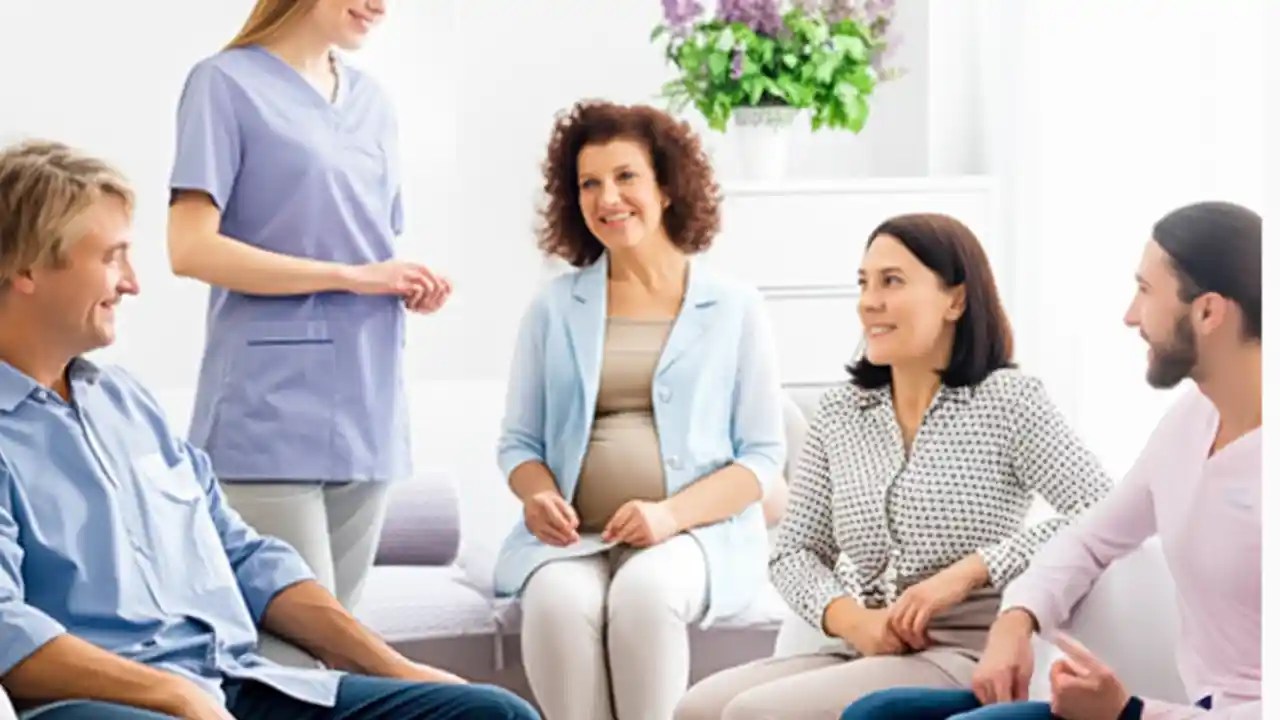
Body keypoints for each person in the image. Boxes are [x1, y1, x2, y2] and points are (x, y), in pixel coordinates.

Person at [0, 140, 536, 720]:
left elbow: (246, 555)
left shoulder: (128, 404)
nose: (132, 283)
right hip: (108, 705)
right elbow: (6, 624)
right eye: (111, 257)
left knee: (491, 714)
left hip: (238, 683)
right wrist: (173, 694)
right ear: (25, 267)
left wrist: (393, 667)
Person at [676, 214, 1114, 720]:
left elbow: (1101, 508)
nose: (869, 301)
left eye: (892, 281)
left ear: (956, 300)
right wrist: (853, 621)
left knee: (755, 714)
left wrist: (970, 572)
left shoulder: (1008, 401)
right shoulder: (841, 413)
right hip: (866, 645)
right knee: (697, 708)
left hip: (962, 652)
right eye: (864, 283)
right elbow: (795, 551)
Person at [839, 201, 1262, 719]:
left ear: (1208, 312)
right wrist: (1017, 618)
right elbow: (1089, 534)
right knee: (878, 715)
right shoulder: (1191, 421)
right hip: (1177, 708)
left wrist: (1132, 714)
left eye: (1146, 292)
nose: (1130, 315)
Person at [166, 0, 448, 662]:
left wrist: (402, 281)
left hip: (368, 402)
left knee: (337, 659)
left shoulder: (373, 101)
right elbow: (190, 249)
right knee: (288, 657)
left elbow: (363, 240)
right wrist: (350, 277)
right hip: (268, 410)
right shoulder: (224, 85)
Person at [493, 100, 788, 720]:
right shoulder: (553, 307)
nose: (608, 198)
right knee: (552, 601)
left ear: (667, 186)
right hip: (575, 541)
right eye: (589, 184)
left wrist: (669, 516)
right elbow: (518, 443)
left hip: (694, 535)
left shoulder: (735, 307)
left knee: (644, 595)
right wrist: (538, 495)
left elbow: (762, 456)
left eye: (626, 176)